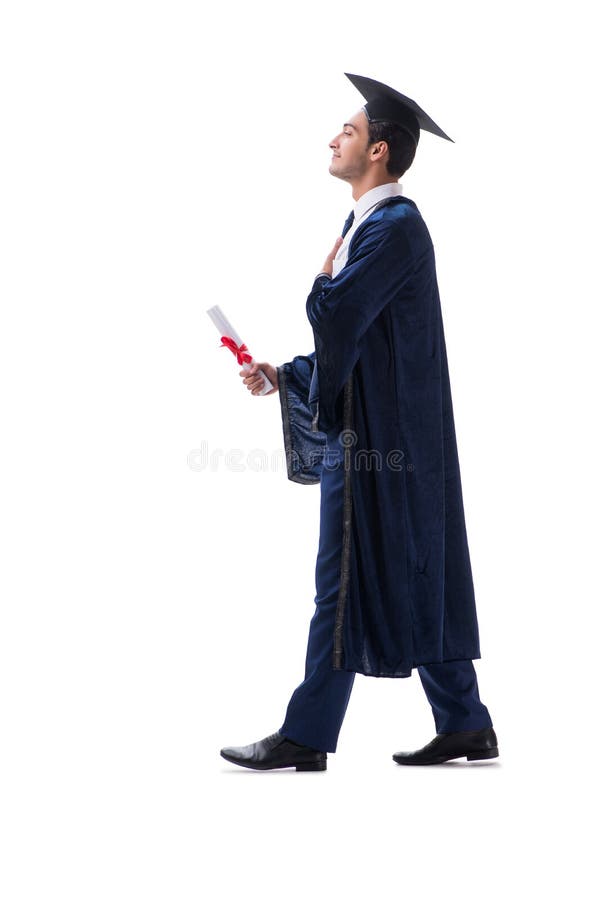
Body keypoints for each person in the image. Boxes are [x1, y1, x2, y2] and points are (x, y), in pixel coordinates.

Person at [220, 73, 498, 771]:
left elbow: (338, 314)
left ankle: (305, 735)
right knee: (417, 568)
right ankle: (465, 722)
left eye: (346, 131)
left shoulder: (394, 227)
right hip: (398, 430)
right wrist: (286, 376)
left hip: (380, 439)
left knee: (342, 580)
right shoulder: (371, 225)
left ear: (378, 150)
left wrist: (319, 284)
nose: (333, 139)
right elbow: (361, 343)